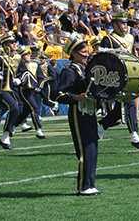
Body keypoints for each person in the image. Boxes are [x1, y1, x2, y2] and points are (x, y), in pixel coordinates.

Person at [56, 35, 100, 195]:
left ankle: (90, 183)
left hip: (89, 111)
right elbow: (58, 94)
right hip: (77, 112)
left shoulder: (86, 69)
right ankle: (83, 185)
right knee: (85, 149)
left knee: (93, 147)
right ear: (73, 53)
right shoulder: (69, 71)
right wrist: (76, 97)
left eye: (86, 50)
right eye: (82, 51)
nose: (86, 53)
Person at [98, 11, 139, 149]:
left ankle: (102, 125)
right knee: (129, 101)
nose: (125, 26)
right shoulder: (108, 39)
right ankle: (134, 135)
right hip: (115, 76)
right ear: (115, 24)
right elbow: (102, 57)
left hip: (129, 74)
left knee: (118, 113)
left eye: (126, 23)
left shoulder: (130, 37)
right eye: (122, 23)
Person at [17, 46, 45, 139]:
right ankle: (38, 130)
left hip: (34, 90)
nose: (28, 55)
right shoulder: (19, 65)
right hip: (24, 90)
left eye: (28, 54)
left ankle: (12, 126)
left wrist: (39, 87)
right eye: (25, 54)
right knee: (34, 108)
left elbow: (41, 77)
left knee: (26, 111)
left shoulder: (35, 64)